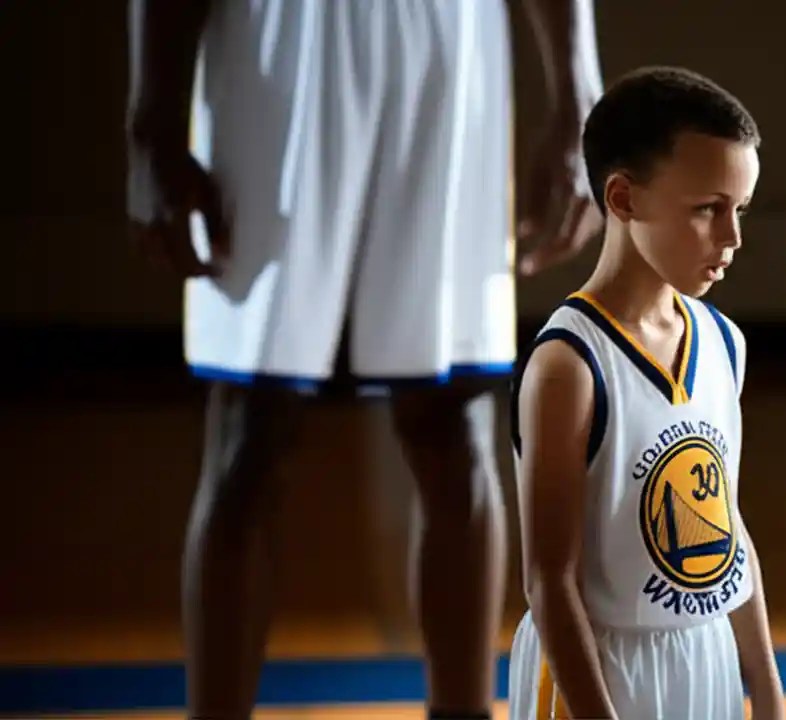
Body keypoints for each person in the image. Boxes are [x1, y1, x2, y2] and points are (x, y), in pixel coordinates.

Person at [124, 1, 605, 718]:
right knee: (251, 433)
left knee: (454, 421)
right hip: (275, 38)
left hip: (451, 36)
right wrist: (150, 121)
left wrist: (579, 90)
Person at [506, 66, 785, 720]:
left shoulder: (722, 342)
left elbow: (727, 527)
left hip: (704, 650)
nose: (732, 238)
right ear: (624, 199)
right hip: (594, 668)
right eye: (707, 210)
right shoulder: (569, 365)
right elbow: (549, 582)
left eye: (739, 210)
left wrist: (767, 691)